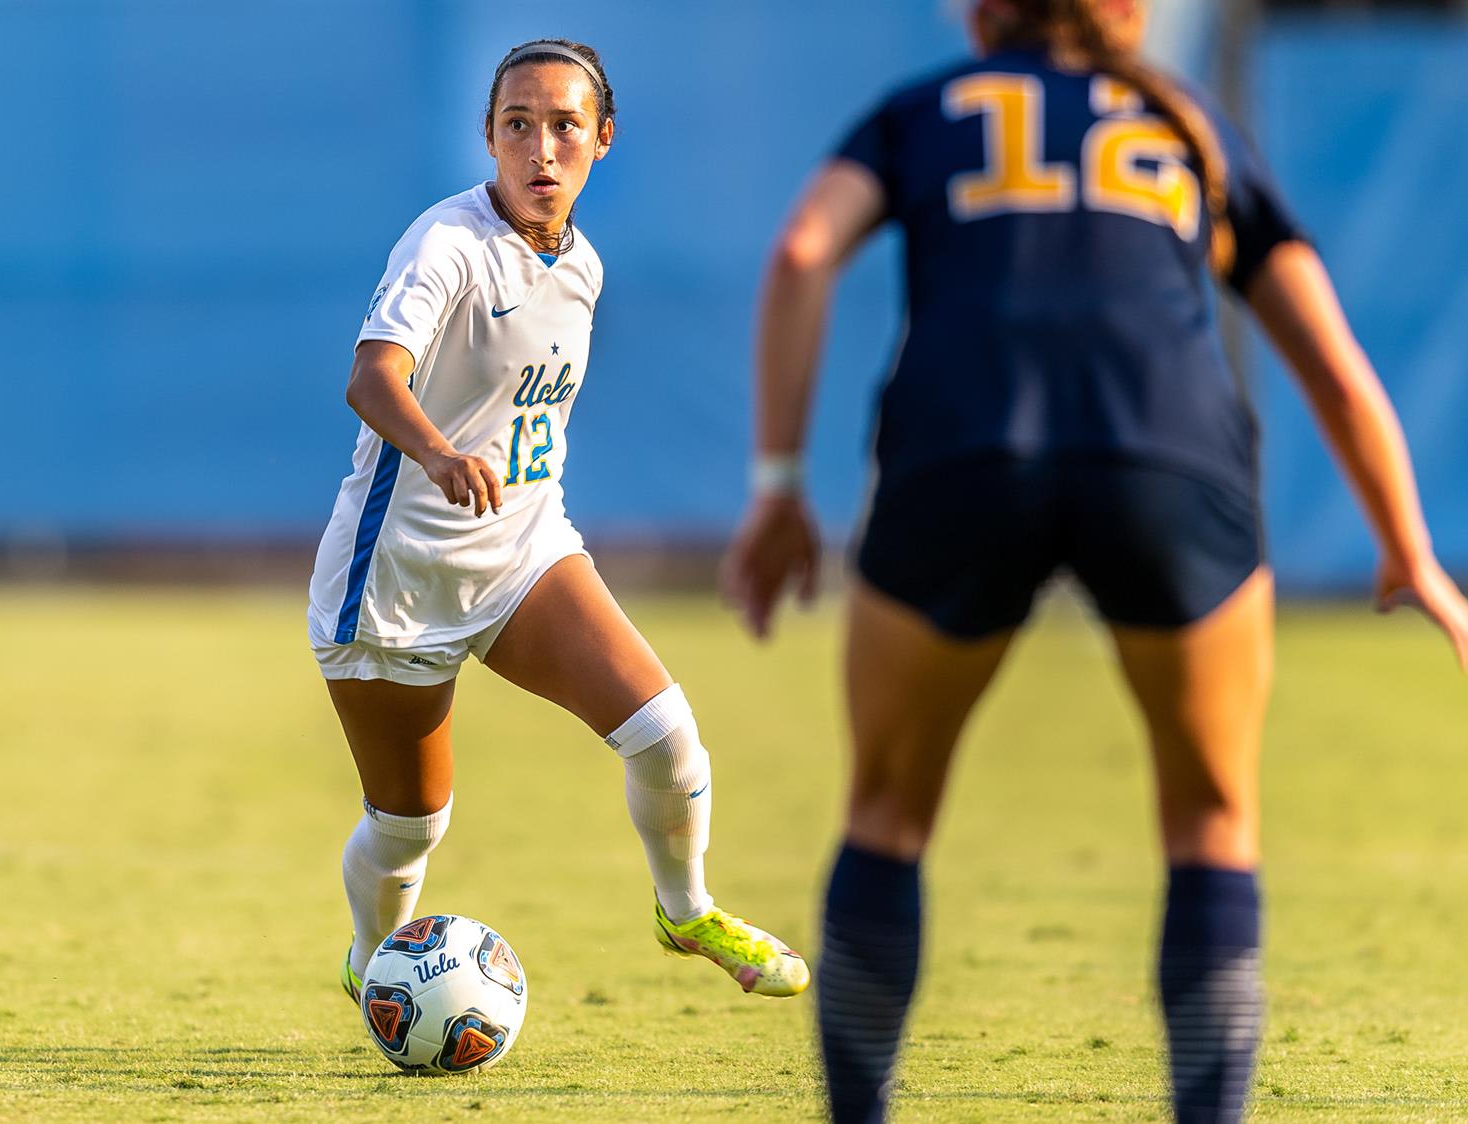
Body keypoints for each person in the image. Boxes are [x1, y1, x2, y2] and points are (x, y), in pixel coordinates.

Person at [721, 1, 1468, 1120]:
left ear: (980, 13)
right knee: (1210, 819)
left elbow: (798, 251)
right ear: (1126, 14)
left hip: (960, 450)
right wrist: (1408, 547)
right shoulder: (1189, 127)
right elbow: (1330, 359)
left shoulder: (923, 111)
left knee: (886, 809)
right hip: (1169, 457)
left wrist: (777, 487)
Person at [307, 38, 809, 1011]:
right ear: (488, 138)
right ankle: (373, 961)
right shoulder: (445, 243)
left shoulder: (580, 264)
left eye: (564, 126)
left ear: (602, 139)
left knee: (665, 733)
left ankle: (685, 909)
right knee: (410, 827)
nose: (541, 149)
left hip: (524, 551)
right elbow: (371, 375)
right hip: (395, 579)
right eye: (517, 125)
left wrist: (508, 498)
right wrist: (440, 451)